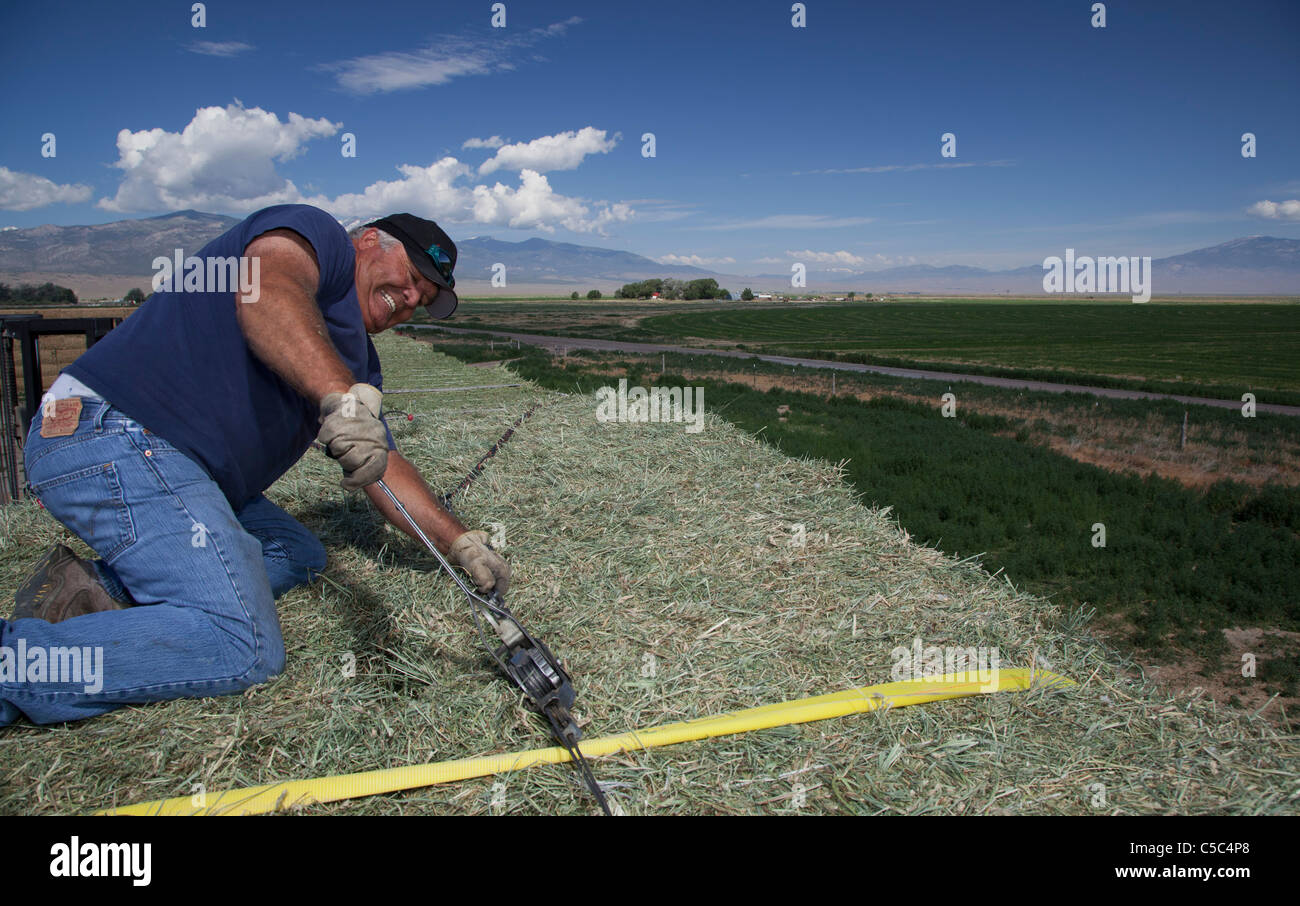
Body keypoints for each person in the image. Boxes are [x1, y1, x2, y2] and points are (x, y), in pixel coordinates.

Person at [0, 204, 509, 725]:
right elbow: (265, 290)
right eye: (411, 278)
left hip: (193, 472)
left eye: (423, 300)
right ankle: (17, 665)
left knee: (300, 552)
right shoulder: (318, 239)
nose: (410, 299)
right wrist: (343, 402)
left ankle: (99, 590)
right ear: (369, 240)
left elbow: (386, 468)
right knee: (241, 642)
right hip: (114, 430)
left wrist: (461, 543)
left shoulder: (360, 367)